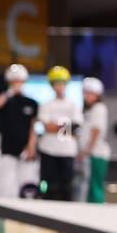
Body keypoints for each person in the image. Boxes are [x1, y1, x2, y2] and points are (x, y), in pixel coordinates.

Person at [0, 63, 38, 198]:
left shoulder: (31, 103)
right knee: (5, 185)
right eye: (14, 81)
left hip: (25, 150)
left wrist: (31, 146)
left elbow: (33, 126)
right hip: (8, 149)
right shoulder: (5, 101)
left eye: (19, 80)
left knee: (26, 187)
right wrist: (9, 92)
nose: (17, 83)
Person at [37, 65, 81, 200]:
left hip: (67, 151)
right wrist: (65, 127)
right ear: (52, 85)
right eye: (56, 84)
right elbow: (46, 127)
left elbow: (76, 127)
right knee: (48, 185)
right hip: (48, 149)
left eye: (62, 84)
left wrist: (55, 126)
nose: (59, 87)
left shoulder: (73, 105)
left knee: (67, 186)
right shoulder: (46, 105)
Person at [79, 77, 111, 204]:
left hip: (96, 154)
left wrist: (87, 151)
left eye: (90, 93)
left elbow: (96, 130)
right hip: (92, 154)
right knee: (90, 187)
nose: (87, 96)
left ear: (97, 95)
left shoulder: (99, 108)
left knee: (95, 187)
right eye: (85, 93)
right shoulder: (90, 110)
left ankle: (97, 213)